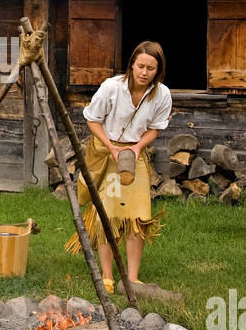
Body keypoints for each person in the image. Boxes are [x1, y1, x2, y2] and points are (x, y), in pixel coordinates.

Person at [65, 40, 172, 295]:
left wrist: (137, 148)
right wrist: (111, 147)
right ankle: (107, 275)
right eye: (141, 66)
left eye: (151, 68)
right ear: (132, 64)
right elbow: (92, 120)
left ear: (158, 71)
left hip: (135, 154)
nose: (144, 72)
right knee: (108, 217)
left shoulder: (162, 94)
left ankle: (132, 278)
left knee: (138, 216)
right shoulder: (112, 88)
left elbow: (155, 128)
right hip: (107, 151)